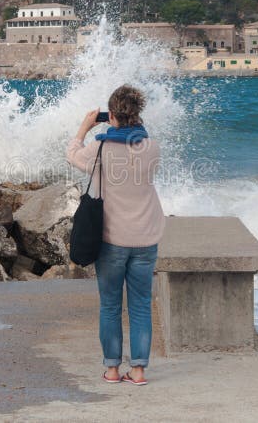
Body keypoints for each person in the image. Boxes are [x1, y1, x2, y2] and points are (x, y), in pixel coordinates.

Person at [66, 84, 166, 386]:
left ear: (112, 114)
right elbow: (138, 140)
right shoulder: (152, 146)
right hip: (146, 236)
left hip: (112, 239)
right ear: (137, 114)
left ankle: (111, 369)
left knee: (110, 305)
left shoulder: (100, 147)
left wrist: (84, 127)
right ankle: (138, 371)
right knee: (140, 305)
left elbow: (72, 155)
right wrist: (126, 122)